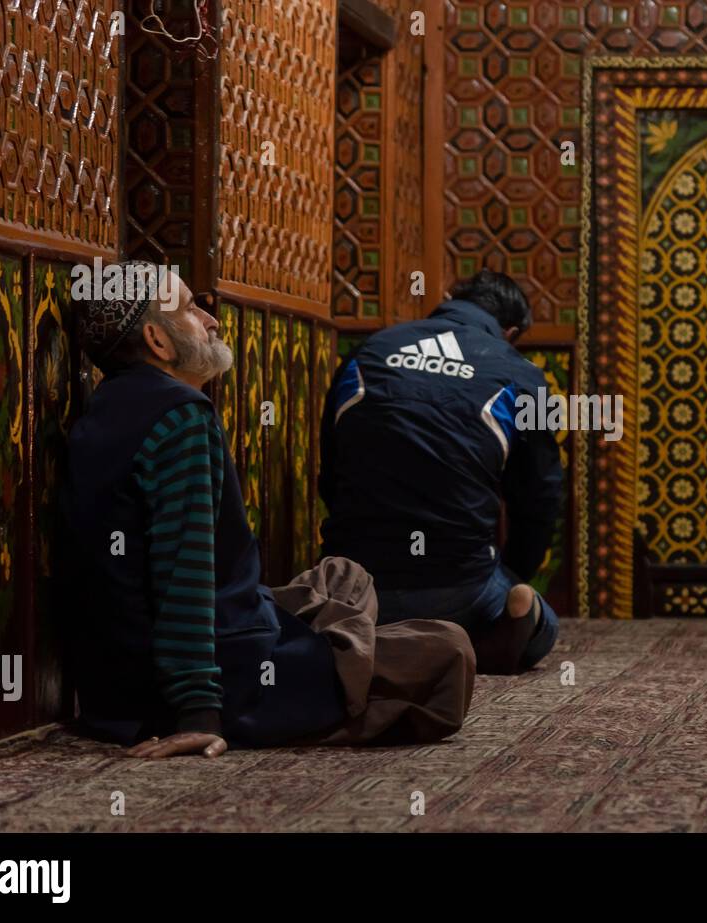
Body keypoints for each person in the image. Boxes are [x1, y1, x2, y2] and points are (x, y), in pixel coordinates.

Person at [60, 262, 474, 759]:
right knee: (448, 649)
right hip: (218, 677)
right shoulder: (178, 416)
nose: (210, 319)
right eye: (191, 308)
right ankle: (318, 674)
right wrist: (197, 712)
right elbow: (182, 575)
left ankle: (328, 644)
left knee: (345, 576)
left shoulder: (106, 409)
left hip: (130, 682)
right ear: (158, 341)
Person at [319, 270, 562, 674]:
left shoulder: (370, 351)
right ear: (512, 331)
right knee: (543, 625)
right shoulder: (522, 375)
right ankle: (481, 638)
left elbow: (331, 471)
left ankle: (368, 634)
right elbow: (541, 496)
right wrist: (515, 570)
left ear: (448, 296)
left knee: (337, 598)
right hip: (456, 588)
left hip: (352, 583)